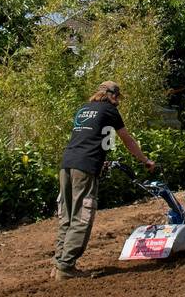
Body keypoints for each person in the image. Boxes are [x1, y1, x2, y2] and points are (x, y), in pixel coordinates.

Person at [52, 81, 155, 280]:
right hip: (85, 167)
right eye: (117, 98)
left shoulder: (84, 109)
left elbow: (92, 137)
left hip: (66, 165)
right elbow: (126, 139)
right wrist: (145, 160)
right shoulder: (109, 110)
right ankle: (66, 267)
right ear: (113, 95)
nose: (118, 102)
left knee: (67, 216)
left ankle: (58, 264)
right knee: (82, 216)